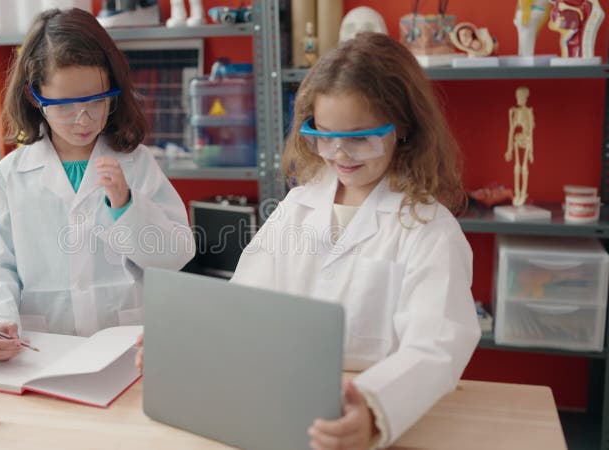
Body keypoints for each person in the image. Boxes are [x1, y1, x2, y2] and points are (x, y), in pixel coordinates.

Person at [138, 32, 480, 449]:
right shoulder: (298, 206)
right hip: (284, 403)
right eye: (325, 135)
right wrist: (187, 345)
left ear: (404, 127)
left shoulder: (429, 229)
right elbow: (246, 307)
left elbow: (435, 348)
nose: (340, 154)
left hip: (365, 411)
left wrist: (374, 411)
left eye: (360, 137)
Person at [0, 8, 194, 361]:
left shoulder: (137, 164)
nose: (84, 119)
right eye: (66, 105)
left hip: (127, 347)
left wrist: (127, 206)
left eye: (97, 100)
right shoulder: (9, 178)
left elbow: (175, 256)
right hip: (43, 348)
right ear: (35, 97)